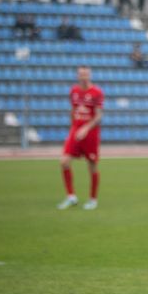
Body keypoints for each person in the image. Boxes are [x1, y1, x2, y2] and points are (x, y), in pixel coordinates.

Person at [57, 66, 104, 211]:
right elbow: (73, 110)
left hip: (90, 133)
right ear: (78, 76)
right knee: (64, 161)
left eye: (86, 74)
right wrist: (73, 128)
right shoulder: (74, 91)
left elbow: (99, 116)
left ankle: (93, 199)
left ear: (90, 75)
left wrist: (85, 128)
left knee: (91, 164)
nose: (83, 77)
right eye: (81, 74)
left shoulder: (97, 92)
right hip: (75, 131)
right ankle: (71, 197)